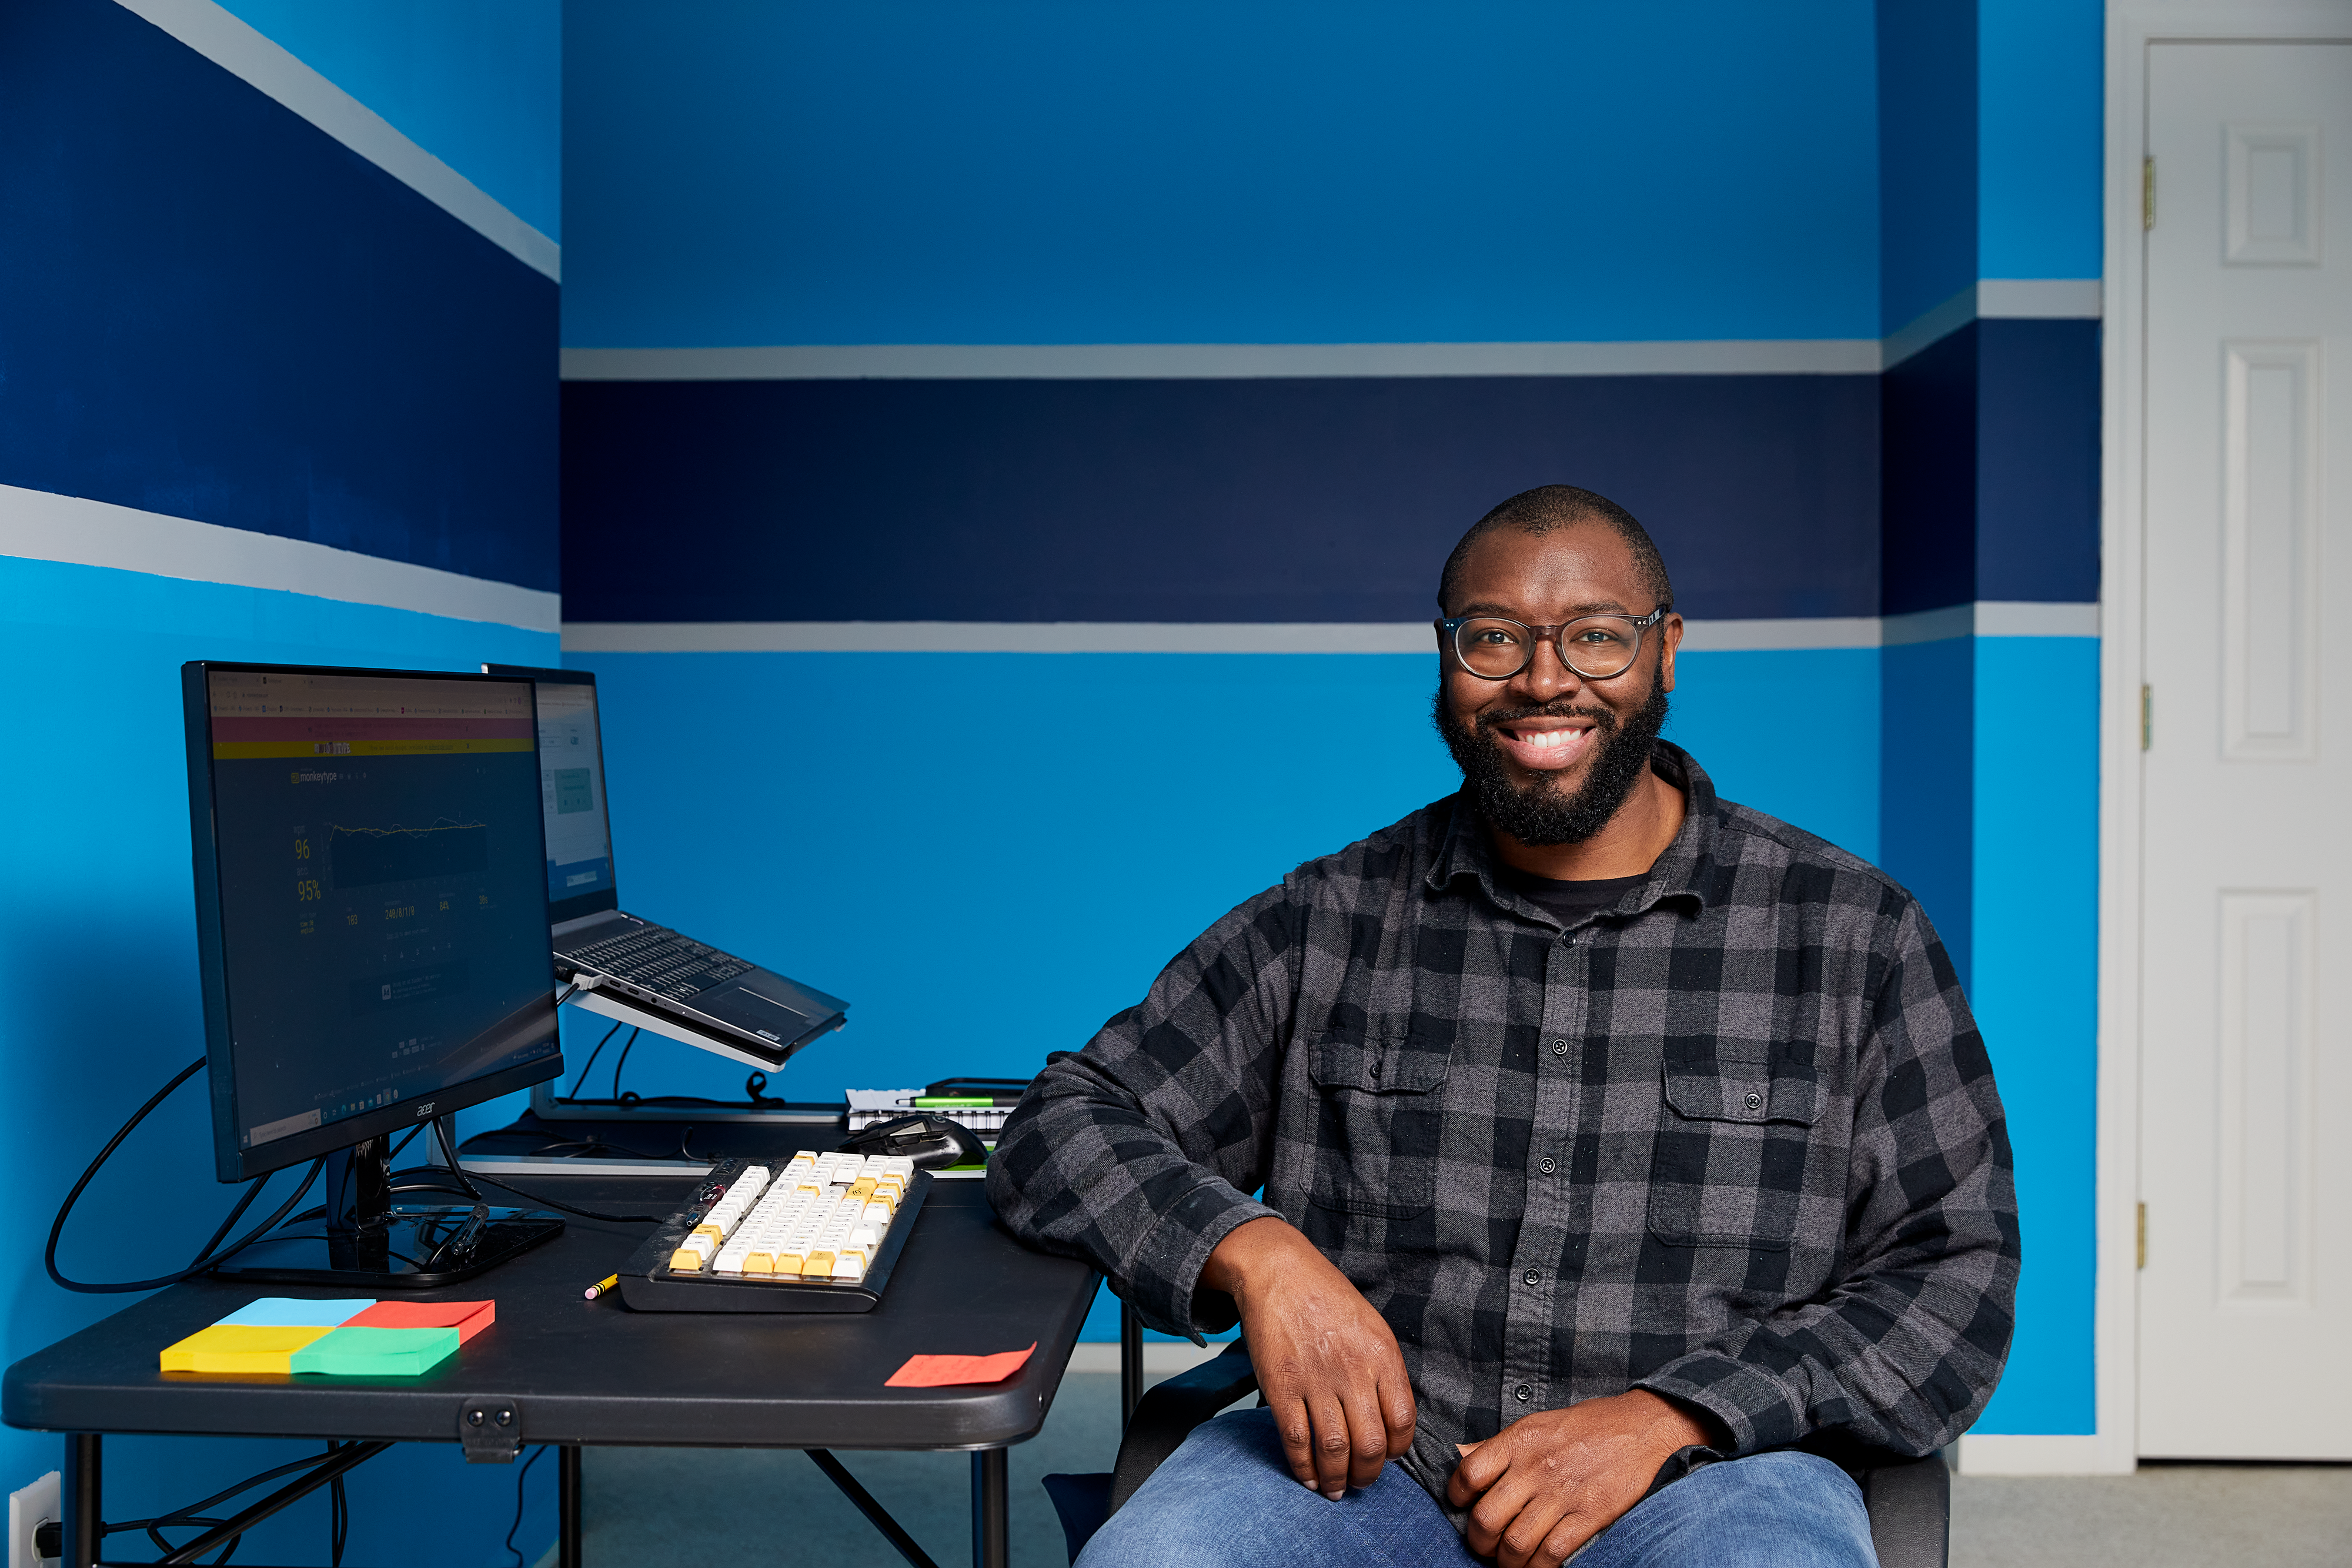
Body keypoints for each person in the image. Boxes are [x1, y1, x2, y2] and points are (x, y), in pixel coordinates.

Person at [988, 484, 2017, 1568]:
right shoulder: (1327, 918)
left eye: (1596, 637)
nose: (1542, 678)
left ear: (1666, 653)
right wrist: (1257, 1253)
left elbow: (1957, 1278)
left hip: (1718, 1483)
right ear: (1443, 659)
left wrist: (1677, 1415)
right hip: (1366, 1474)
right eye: (1494, 639)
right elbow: (1065, 1120)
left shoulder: (1854, 933)